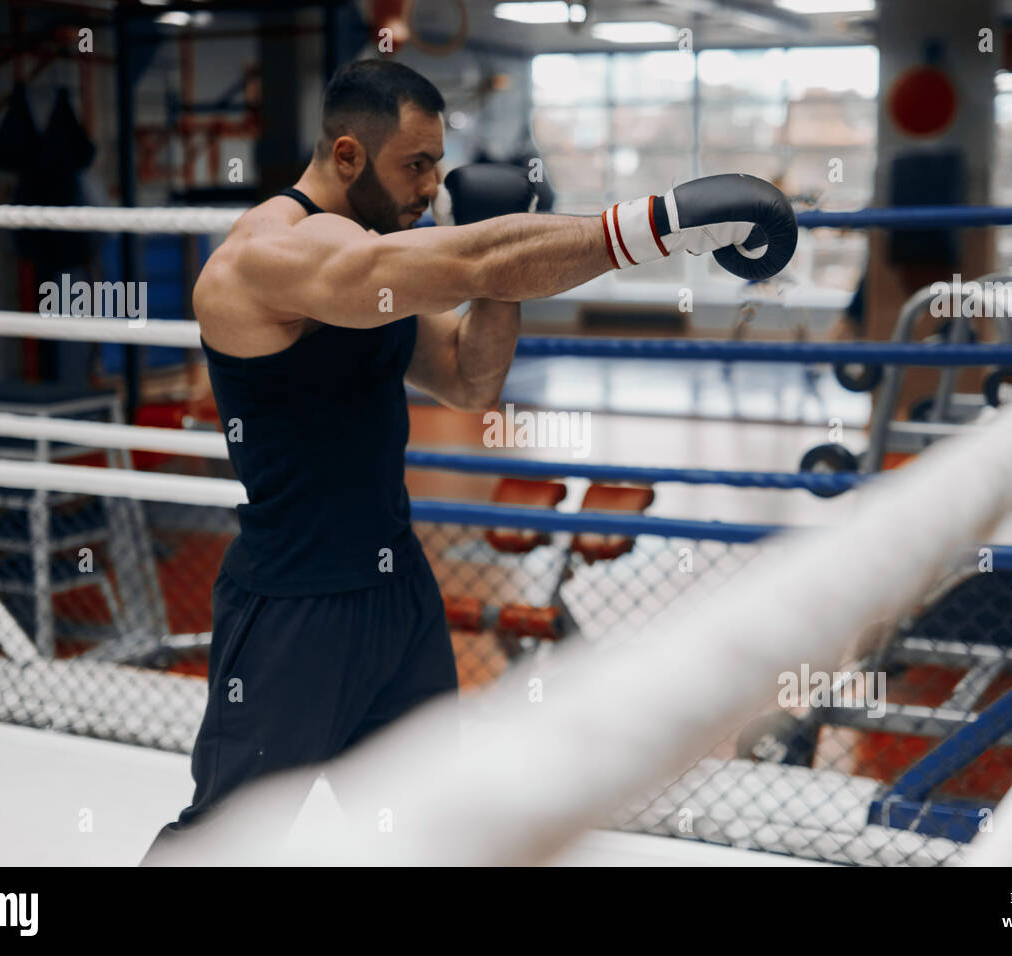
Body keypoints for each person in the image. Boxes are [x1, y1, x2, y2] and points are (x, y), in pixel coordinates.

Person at [141, 57, 795, 865]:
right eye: (414, 166)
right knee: (225, 843)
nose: (429, 186)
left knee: (436, 834)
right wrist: (657, 222)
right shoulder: (271, 258)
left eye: (437, 165)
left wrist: (507, 276)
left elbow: (469, 380)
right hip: (293, 606)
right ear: (348, 155)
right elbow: (463, 261)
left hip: (399, 596)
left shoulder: (372, 260)